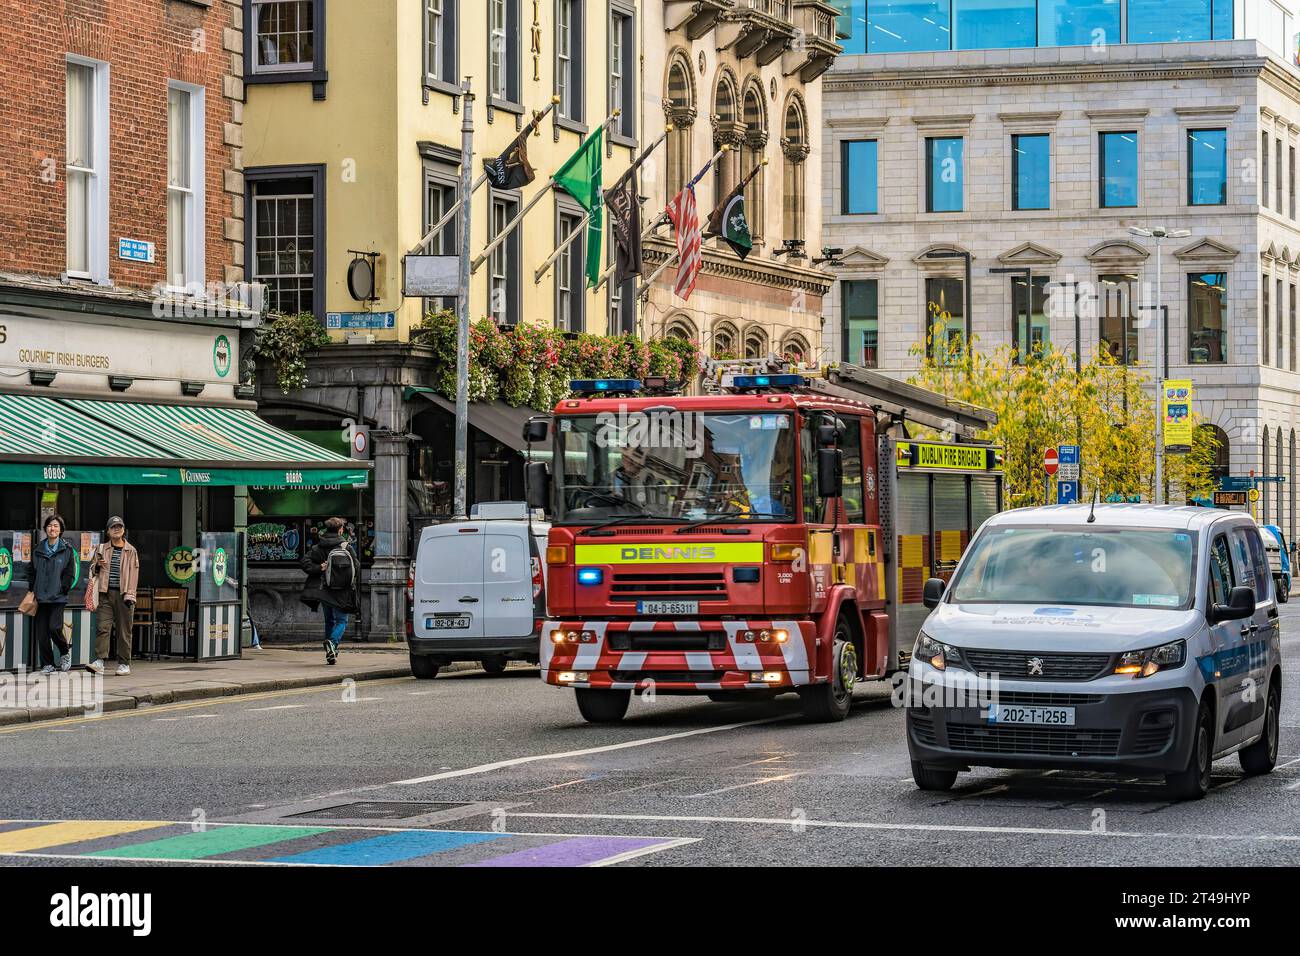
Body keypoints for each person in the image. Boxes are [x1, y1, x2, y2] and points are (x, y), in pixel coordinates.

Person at [300, 517, 359, 665]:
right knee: (342, 620)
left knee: (329, 620)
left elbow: (304, 563)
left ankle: (330, 652)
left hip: (324, 590)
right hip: (342, 590)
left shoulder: (318, 547)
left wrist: (319, 567)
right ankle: (332, 643)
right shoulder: (346, 546)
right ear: (340, 530)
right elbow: (356, 567)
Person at [26, 514, 76, 674]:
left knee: (54, 628)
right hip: (40, 597)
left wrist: (64, 587)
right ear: (45, 529)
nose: (52, 528)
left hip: (58, 596)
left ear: (60, 529)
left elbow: (70, 572)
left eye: (56, 526)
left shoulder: (66, 549)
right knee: (42, 633)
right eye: (49, 525)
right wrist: (32, 588)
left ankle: (64, 652)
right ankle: (48, 664)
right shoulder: (38, 549)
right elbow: (31, 571)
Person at [88, 516, 138, 676]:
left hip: (124, 595)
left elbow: (134, 574)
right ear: (108, 531)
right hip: (105, 594)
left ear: (124, 530)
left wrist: (130, 594)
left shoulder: (131, 550)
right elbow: (91, 570)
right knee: (103, 628)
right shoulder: (101, 549)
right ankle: (100, 661)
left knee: (124, 631)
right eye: (113, 527)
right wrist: (97, 565)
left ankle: (124, 663)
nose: (117, 529)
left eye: (119, 526)